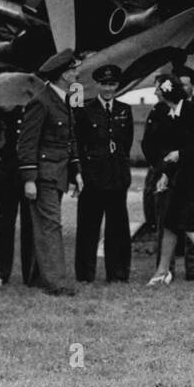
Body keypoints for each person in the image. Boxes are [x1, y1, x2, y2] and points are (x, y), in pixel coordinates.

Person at [144, 74, 194, 289]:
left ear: (167, 91)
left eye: (158, 90)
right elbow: (172, 150)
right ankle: (162, 272)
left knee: (189, 223)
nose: (155, 93)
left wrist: (181, 154)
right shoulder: (170, 114)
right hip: (182, 176)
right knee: (170, 223)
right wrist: (166, 175)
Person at [17, 49, 81, 296]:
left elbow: (69, 139)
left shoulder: (63, 99)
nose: (76, 73)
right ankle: (56, 283)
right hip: (44, 174)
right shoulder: (41, 101)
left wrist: (76, 171)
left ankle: (38, 277)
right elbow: (27, 143)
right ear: (63, 75)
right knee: (50, 225)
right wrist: (29, 179)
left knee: (45, 225)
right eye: (73, 69)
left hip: (58, 172)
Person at [74, 64, 134, 283]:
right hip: (93, 178)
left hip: (117, 177)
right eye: (104, 84)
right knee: (88, 227)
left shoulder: (124, 110)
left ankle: (117, 274)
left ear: (117, 85)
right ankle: (85, 275)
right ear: (97, 85)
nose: (108, 88)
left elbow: (125, 144)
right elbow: (79, 145)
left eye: (112, 84)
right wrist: (80, 173)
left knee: (117, 228)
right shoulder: (85, 110)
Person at [0, 105, 34, 286]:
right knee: (4, 224)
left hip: (30, 172)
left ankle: (29, 274)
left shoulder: (37, 109)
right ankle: (3, 272)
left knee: (30, 224)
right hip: (9, 172)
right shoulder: (6, 110)